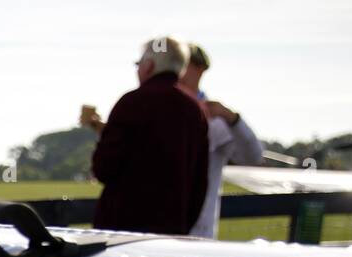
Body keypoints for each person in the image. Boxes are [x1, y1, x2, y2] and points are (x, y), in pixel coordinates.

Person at [85, 37, 210, 234]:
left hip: (121, 232)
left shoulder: (131, 103)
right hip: (172, 232)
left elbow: (103, 168)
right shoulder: (195, 111)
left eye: (138, 63)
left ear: (149, 66)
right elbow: (200, 182)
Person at [179, 44, 263, 238]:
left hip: (198, 234)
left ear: (200, 69)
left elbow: (253, 157)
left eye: (184, 63)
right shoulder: (159, 111)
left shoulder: (217, 121)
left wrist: (231, 118)